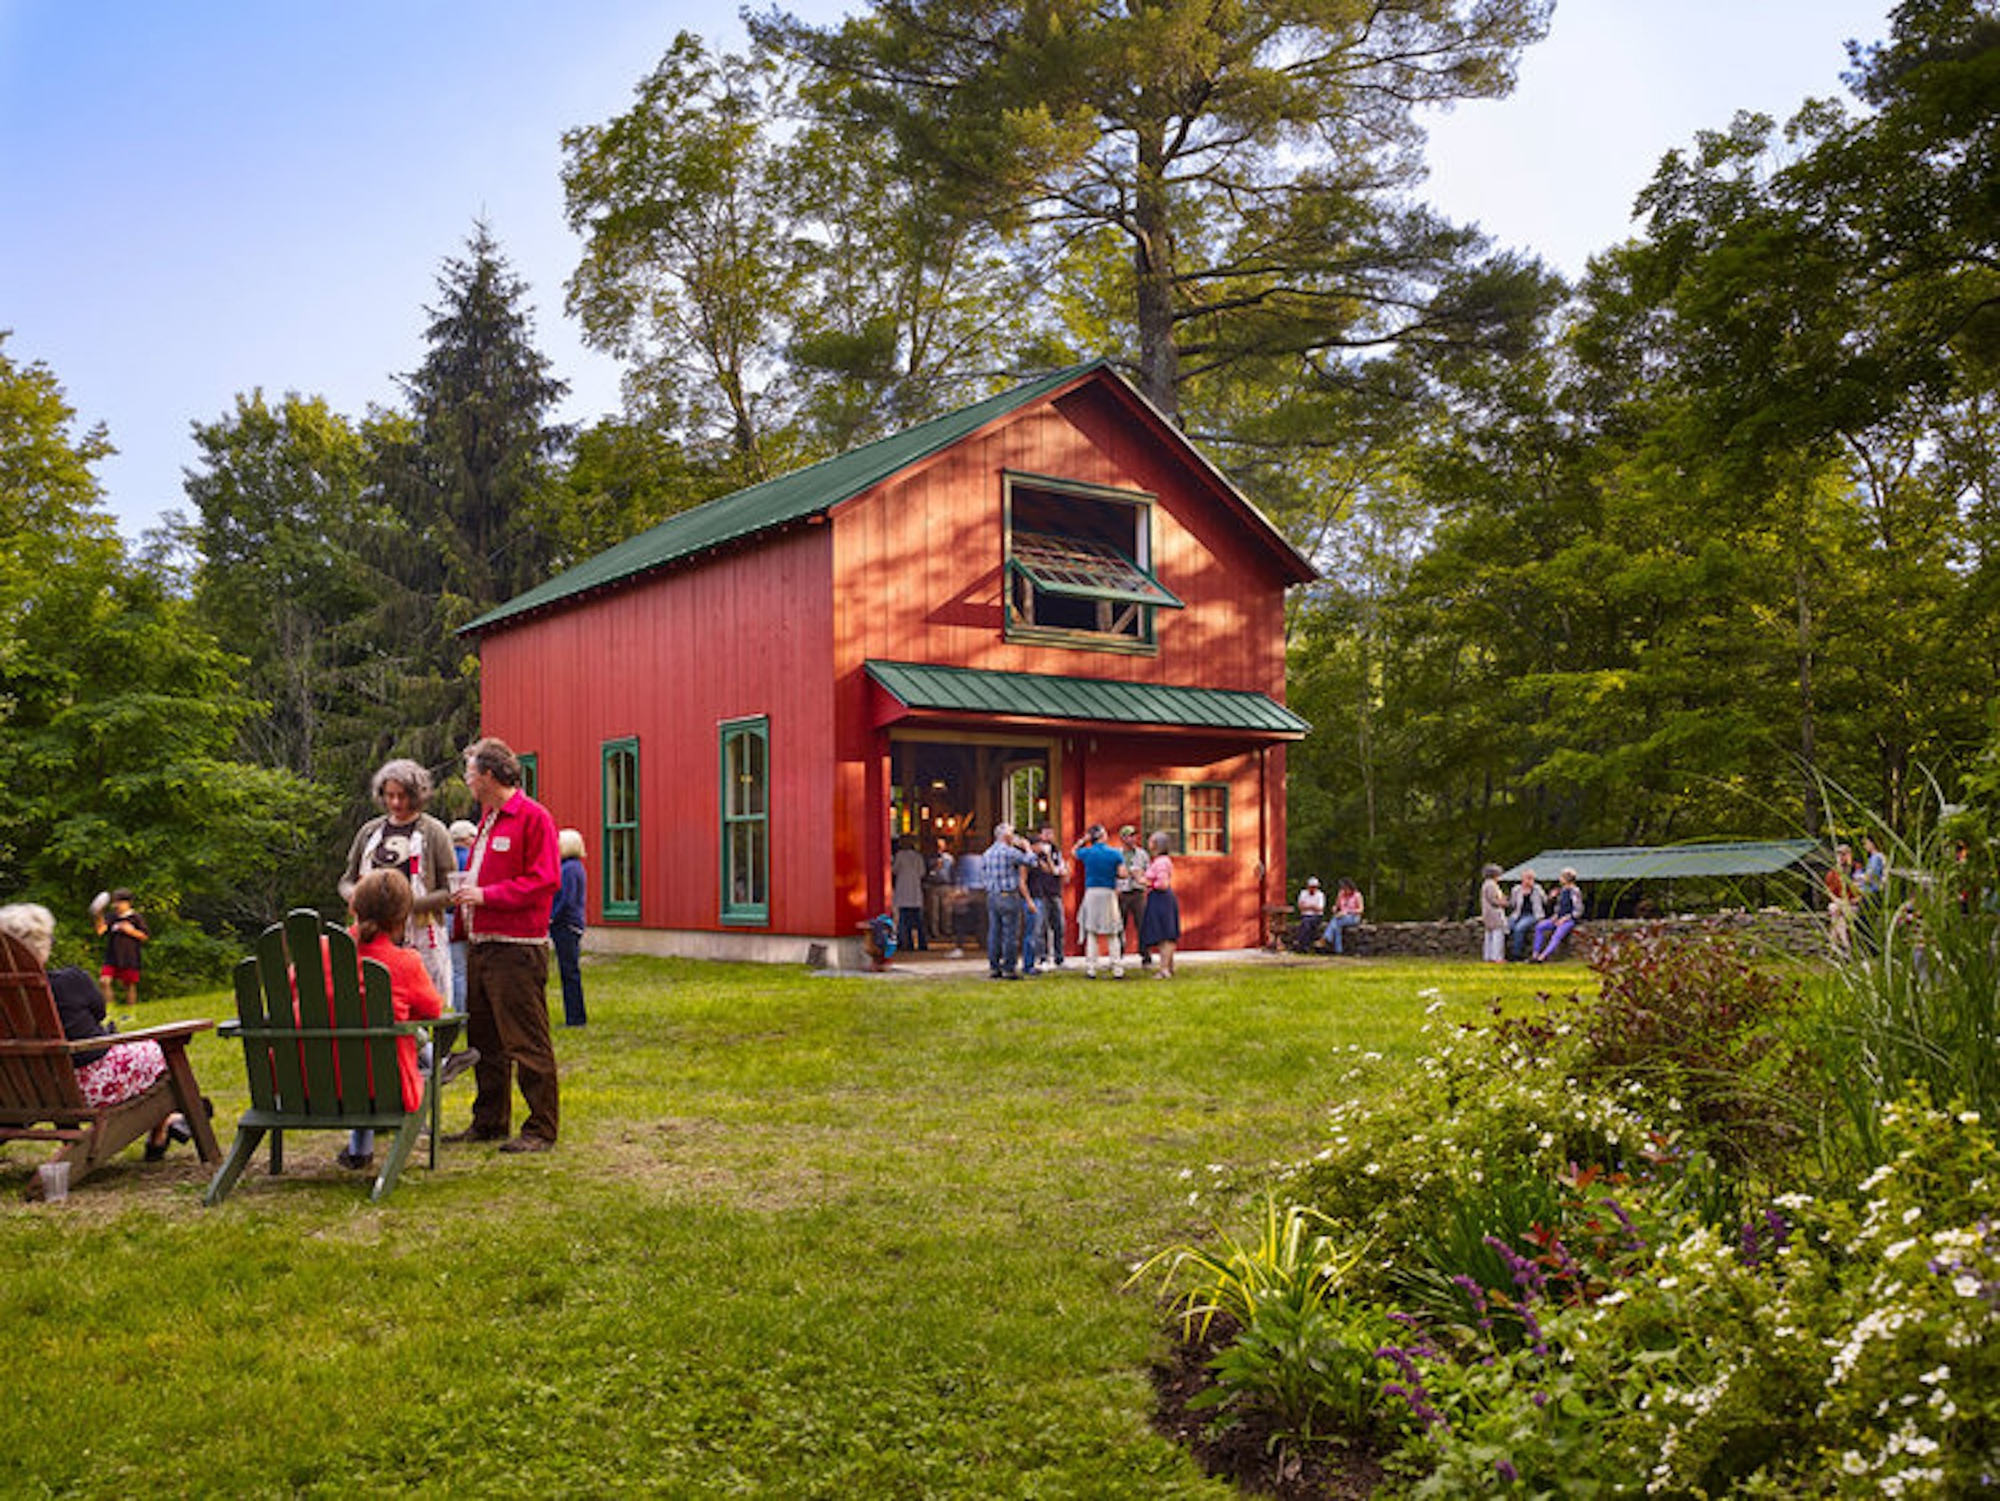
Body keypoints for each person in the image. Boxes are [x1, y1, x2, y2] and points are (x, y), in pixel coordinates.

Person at [1, 902, 199, 1169]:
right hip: (82, 1091)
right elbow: (100, 1012)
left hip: (19, 1090)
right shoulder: (71, 981)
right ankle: (169, 1121)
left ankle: (166, 1124)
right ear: (42, 945)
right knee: (159, 1050)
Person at [446, 736, 562, 1154]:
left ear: (489, 775)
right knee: (485, 1041)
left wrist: (486, 895)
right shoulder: (488, 819)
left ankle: (541, 1127)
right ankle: (489, 1120)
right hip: (481, 944)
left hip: (516, 947)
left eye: (470, 772)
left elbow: (545, 879)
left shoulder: (533, 817)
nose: (467, 781)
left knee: (525, 1039)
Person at [331, 869, 446, 1171]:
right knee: (400, 1045)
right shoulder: (404, 963)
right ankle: (441, 1064)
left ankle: (360, 1150)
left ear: (353, 907)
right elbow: (433, 1010)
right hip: (380, 1087)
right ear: (402, 918)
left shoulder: (319, 954)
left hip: (309, 1085)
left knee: (360, 1046)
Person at [339, 759, 456, 1009]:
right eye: (389, 795)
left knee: (426, 998)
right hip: (371, 934)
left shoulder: (434, 832)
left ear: (417, 795)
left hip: (421, 931)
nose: (395, 802)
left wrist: (406, 905)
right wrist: (357, 896)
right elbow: (346, 880)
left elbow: (450, 889)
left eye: (402, 796)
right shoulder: (369, 832)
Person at [980, 822, 1036, 980]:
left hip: (993, 895)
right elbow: (1032, 861)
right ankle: (1009, 968)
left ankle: (994, 967)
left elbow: (983, 875)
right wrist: (1027, 847)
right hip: (1008, 895)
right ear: (1006, 836)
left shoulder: (987, 853)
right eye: (1012, 833)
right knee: (1010, 934)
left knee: (994, 932)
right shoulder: (1010, 852)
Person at [1071, 824, 1127, 978]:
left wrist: (1083, 840)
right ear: (1103, 836)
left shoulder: (1087, 852)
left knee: (1091, 932)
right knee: (1113, 932)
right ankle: (1117, 969)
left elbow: (1073, 852)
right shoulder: (1115, 853)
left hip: (1092, 893)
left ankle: (1091, 968)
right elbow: (1123, 873)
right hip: (1108, 892)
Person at [551, 828, 588, 1027]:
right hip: (570, 924)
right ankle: (575, 1016)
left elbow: (565, 900)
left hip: (566, 925)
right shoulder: (573, 867)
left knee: (569, 972)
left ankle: (575, 1017)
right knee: (569, 971)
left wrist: (551, 918)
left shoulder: (569, 869)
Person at [1137, 831, 1181, 977]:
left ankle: (1164, 969)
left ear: (1157, 844)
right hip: (1159, 898)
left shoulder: (1161, 862)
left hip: (1161, 898)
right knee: (1166, 933)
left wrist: (1144, 881)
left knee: (1165, 934)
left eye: (1151, 841)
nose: (1148, 843)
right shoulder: (1159, 861)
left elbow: (1163, 884)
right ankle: (1169, 967)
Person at [446, 819, 478, 1010]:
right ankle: (469, 1011)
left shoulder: (447, 860)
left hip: (448, 916)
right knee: (468, 968)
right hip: (468, 915)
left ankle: (459, 1010)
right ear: (466, 838)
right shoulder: (471, 860)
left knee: (456, 968)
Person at [97, 889, 147, 1008]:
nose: (116, 905)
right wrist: (98, 914)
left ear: (128, 903)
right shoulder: (112, 917)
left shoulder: (136, 918)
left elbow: (144, 936)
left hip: (129, 957)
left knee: (129, 985)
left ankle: (131, 1011)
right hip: (111, 957)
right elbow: (100, 931)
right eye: (115, 902)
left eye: (119, 902)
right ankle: (110, 1010)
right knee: (104, 981)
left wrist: (131, 931)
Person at [1029, 827, 1066, 969]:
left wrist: (1062, 871)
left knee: (1059, 926)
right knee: (1041, 928)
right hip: (1041, 893)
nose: (1049, 836)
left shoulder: (1056, 850)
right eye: (1046, 833)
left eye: (1051, 833)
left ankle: (1059, 958)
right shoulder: (1034, 854)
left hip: (1055, 892)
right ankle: (1042, 957)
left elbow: (1058, 870)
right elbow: (1048, 869)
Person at [1531, 867, 1585, 961]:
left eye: (1562, 877)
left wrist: (1565, 919)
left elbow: (1578, 910)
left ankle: (1543, 956)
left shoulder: (1575, 891)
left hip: (1569, 919)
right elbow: (1559, 907)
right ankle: (1535, 953)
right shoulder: (1562, 890)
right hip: (1558, 918)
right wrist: (1555, 916)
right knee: (1539, 926)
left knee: (1557, 934)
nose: (1560, 879)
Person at [1117, 825, 1150, 965]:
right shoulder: (1117, 854)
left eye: (1134, 836)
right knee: (1119, 925)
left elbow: (1148, 871)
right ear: (1123, 838)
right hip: (1122, 892)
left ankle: (1145, 954)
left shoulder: (1142, 854)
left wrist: (1143, 878)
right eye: (1129, 836)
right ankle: (1118, 954)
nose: (1132, 839)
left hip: (1137, 891)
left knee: (1142, 923)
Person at [891, 836, 928, 954]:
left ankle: (907, 943)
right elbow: (922, 872)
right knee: (918, 921)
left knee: (903, 921)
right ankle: (922, 943)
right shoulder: (918, 856)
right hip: (915, 892)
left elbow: (894, 870)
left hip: (903, 891)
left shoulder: (899, 856)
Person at [1824, 843, 1858, 961]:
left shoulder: (1856, 869)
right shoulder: (1833, 873)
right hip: (1838, 903)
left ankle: (1833, 947)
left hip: (1852, 904)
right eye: (1840, 854)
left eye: (1844, 854)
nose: (1842, 857)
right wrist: (1838, 901)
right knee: (1836, 911)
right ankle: (1846, 947)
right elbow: (1829, 891)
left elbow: (1860, 890)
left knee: (1836, 915)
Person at [1507, 870, 1545, 961]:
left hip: (1533, 914)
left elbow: (1545, 900)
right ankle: (1503, 953)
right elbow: (1512, 904)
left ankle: (1516, 954)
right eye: (1527, 878)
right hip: (1518, 914)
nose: (1528, 880)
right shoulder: (1516, 889)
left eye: (1531, 878)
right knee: (1508, 926)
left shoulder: (1537, 889)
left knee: (1519, 928)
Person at [1327, 877, 1364, 956]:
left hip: (1353, 917)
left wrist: (1347, 912)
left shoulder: (1357, 895)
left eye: (1345, 888)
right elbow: (1337, 905)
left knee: (1335, 921)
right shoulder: (1341, 894)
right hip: (1341, 917)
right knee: (1337, 926)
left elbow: (1360, 910)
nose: (1344, 890)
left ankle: (1327, 938)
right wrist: (1334, 908)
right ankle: (1338, 950)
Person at [1479, 864, 1508, 963]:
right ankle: (1496, 957)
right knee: (1497, 935)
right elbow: (1493, 900)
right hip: (1494, 914)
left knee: (1489, 935)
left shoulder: (1486, 884)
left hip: (1488, 913)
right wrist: (1504, 903)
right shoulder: (1491, 885)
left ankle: (1488, 956)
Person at [1293, 876, 1327, 951]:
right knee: (1306, 924)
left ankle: (1301, 943)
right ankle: (1305, 945)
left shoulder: (1320, 895)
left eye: (1314, 887)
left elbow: (1320, 909)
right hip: (1305, 916)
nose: (1312, 889)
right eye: (1311, 887)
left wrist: (1308, 906)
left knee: (1307, 924)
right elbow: (1300, 907)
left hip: (1316, 916)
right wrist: (1312, 907)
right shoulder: (1303, 893)